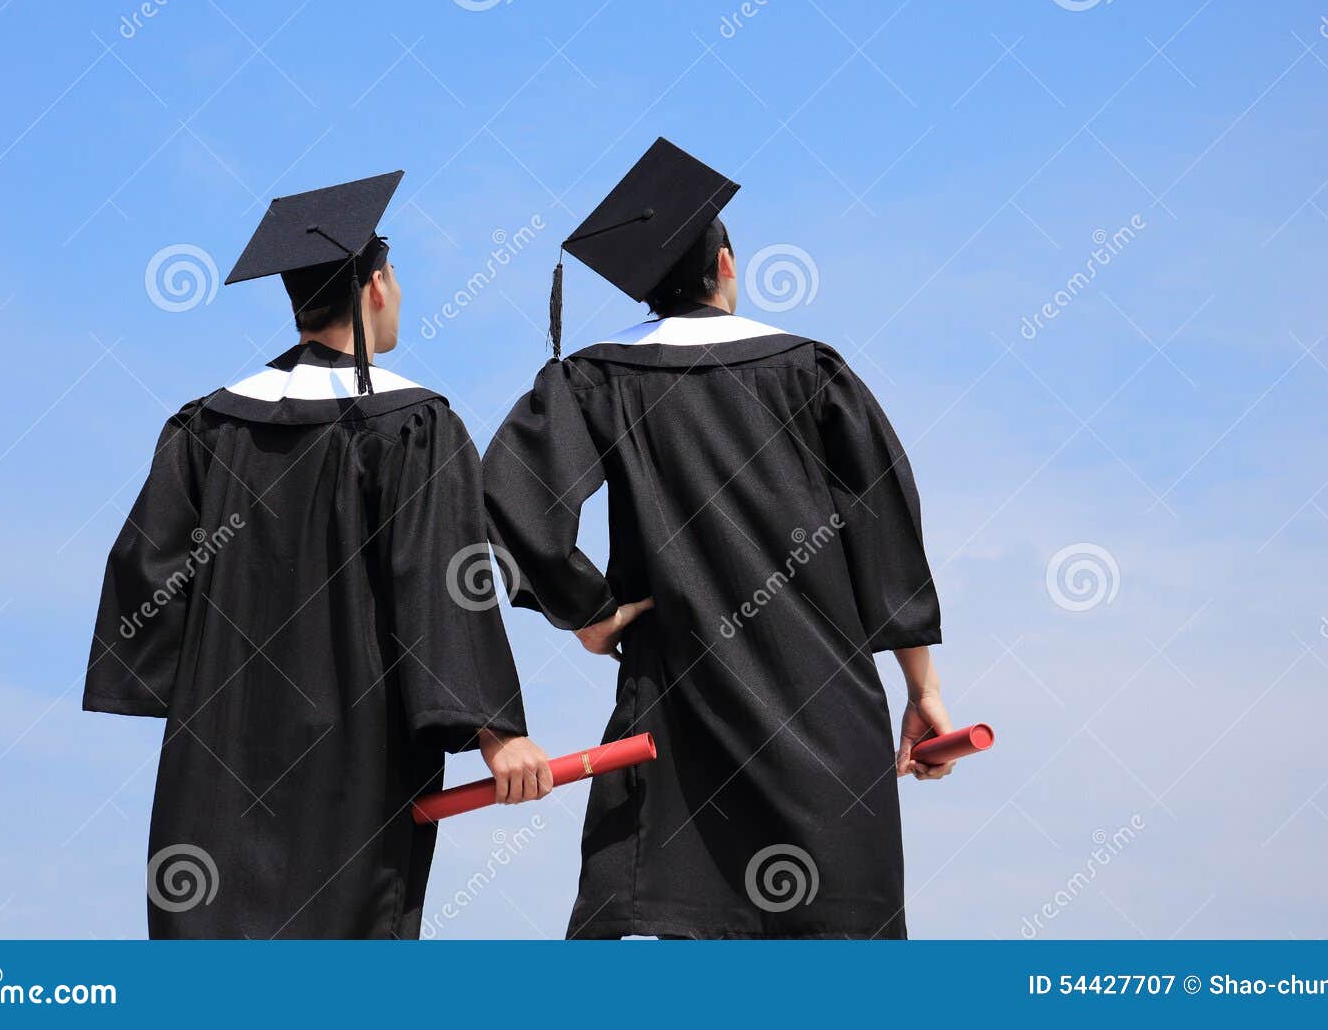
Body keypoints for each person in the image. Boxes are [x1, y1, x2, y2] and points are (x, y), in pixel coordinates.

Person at [482, 138, 955, 939]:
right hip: (826, 734)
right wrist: (924, 690)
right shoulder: (811, 371)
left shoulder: (598, 378)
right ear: (726, 267)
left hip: (677, 742)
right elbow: (887, 535)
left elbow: (508, 496)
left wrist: (587, 609)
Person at [83, 171, 552, 938]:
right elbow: (441, 584)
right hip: (354, 784)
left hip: (213, 778)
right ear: (375, 287)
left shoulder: (207, 428)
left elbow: (146, 577)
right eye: (394, 276)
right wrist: (495, 729)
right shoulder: (416, 426)